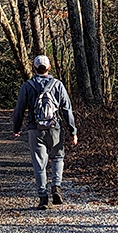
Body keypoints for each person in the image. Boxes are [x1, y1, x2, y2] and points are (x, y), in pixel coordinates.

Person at [12, 54, 78, 210]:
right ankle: (56, 187)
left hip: (35, 129)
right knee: (58, 157)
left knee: (39, 163)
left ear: (34, 68)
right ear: (49, 67)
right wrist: (72, 131)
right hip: (55, 128)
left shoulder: (27, 86)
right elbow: (67, 109)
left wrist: (17, 128)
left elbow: (19, 109)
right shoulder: (58, 85)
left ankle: (43, 198)